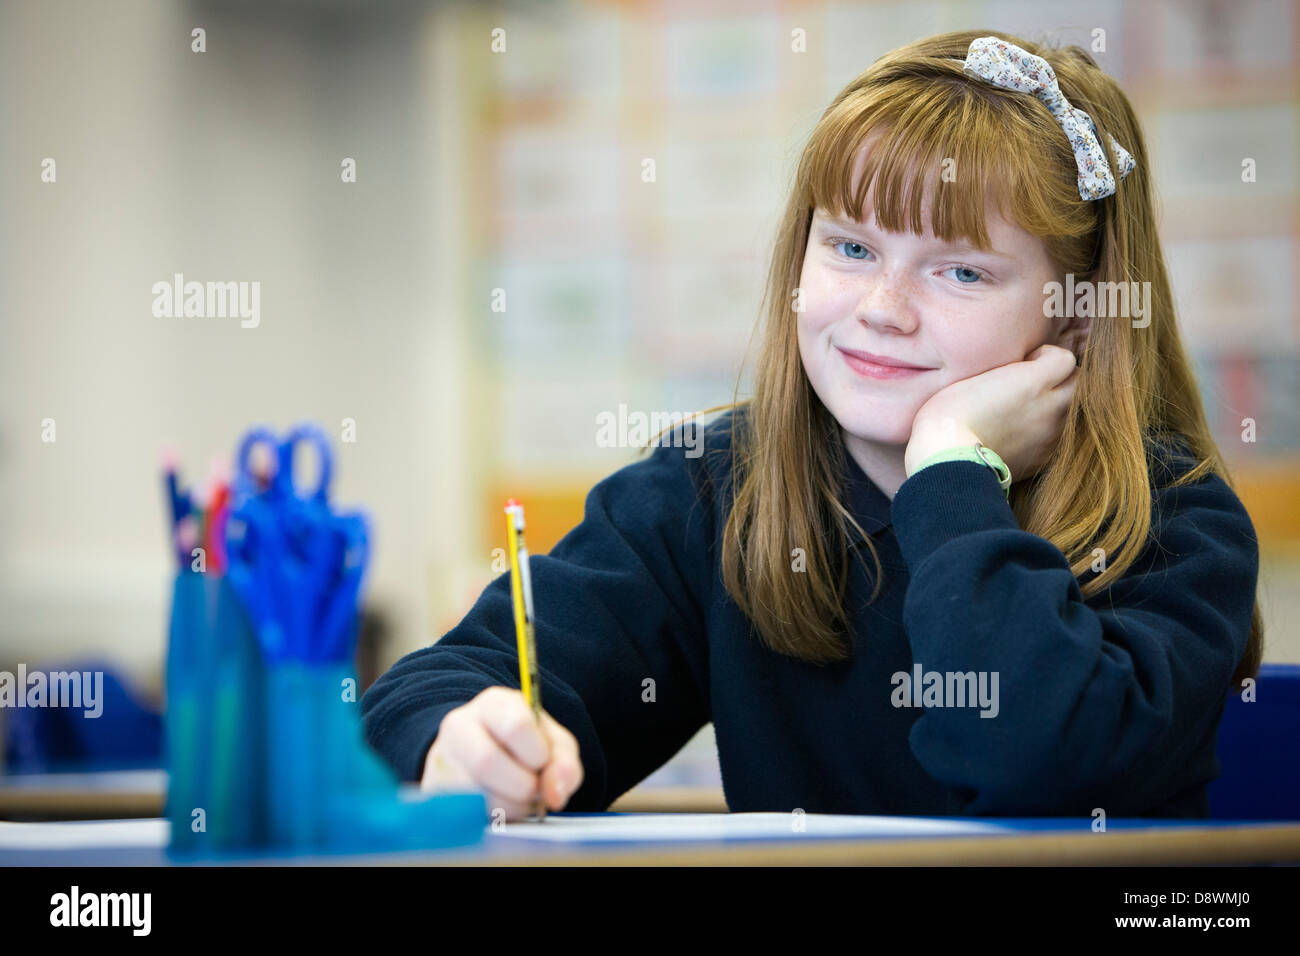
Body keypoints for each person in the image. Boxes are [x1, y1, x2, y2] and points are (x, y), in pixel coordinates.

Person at [361, 30, 1262, 821]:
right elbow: (433, 689)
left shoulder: (1173, 519)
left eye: (961, 273)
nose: (883, 309)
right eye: (852, 248)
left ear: (1077, 313)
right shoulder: (713, 488)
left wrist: (953, 472)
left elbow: (1042, 765)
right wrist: (462, 740)